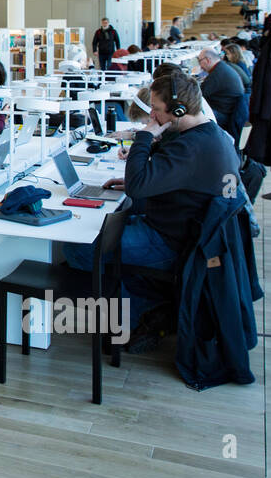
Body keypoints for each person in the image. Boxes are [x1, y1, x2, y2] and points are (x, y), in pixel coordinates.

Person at [63, 70, 239, 351]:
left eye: (156, 110)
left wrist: (145, 137)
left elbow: (138, 186)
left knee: (78, 249)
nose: (153, 117)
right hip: (187, 234)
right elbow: (159, 180)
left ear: (179, 109)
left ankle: (142, 311)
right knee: (108, 231)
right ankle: (141, 305)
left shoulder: (191, 146)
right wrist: (139, 178)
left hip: (171, 242)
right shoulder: (208, 135)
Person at [195, 47, 245, 146]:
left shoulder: (217, 73)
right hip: (229, 111)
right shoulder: (221, 68)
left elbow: (198, 95)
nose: (200, 66)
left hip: (224, 114)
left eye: (199, 61)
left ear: (207, 60)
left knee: (193, 117)